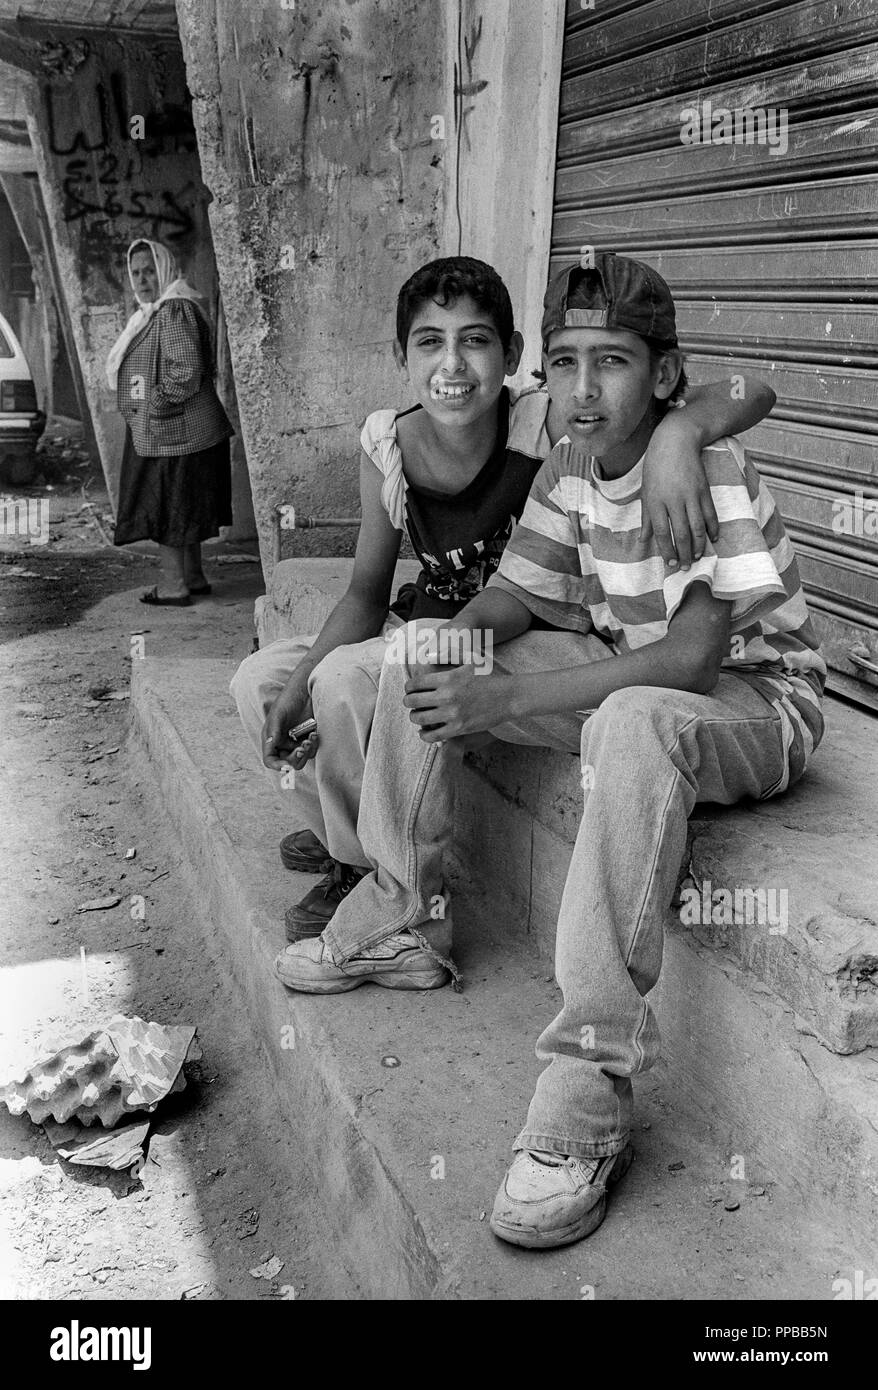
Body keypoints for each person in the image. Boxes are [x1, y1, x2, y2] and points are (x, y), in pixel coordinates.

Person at [272, 250, 825, 1249]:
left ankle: (585, 1091)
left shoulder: (706, 465)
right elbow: (522, 590)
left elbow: (693, 661)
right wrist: (460, 638)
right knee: (427, 639)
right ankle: (404, 916)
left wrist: (510, 696)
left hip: (752, 699)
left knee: (629, 720)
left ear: (662, 377)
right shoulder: (569, 465)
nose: (579, 387)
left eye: (608, 363)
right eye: (564, 362)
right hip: (624, 663)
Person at [231, 255, 776, 942]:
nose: (453, 365)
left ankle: (379, 873)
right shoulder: (422, 449)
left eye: (476, 341)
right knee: (329, 671)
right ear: (402, 357)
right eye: (430, 342)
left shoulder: (561, 428)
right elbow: (424, 594)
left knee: (356, 680)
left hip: (685, 676)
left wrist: (680, 431)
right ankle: (379, 885)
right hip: (523, 635)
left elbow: (745, 391)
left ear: (513, 358)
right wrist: (433, 651)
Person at [106, 239, 233, 605]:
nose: (142, 279)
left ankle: (174, 586)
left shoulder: (173, 309)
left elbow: (187, 369)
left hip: (172, 429)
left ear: (164, 268)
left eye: (149, 270)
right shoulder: (159, 309)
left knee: (165, 508)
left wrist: (155, 402)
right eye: (135, 272)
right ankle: (192, 577)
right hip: (175, 431)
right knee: (183, 506)